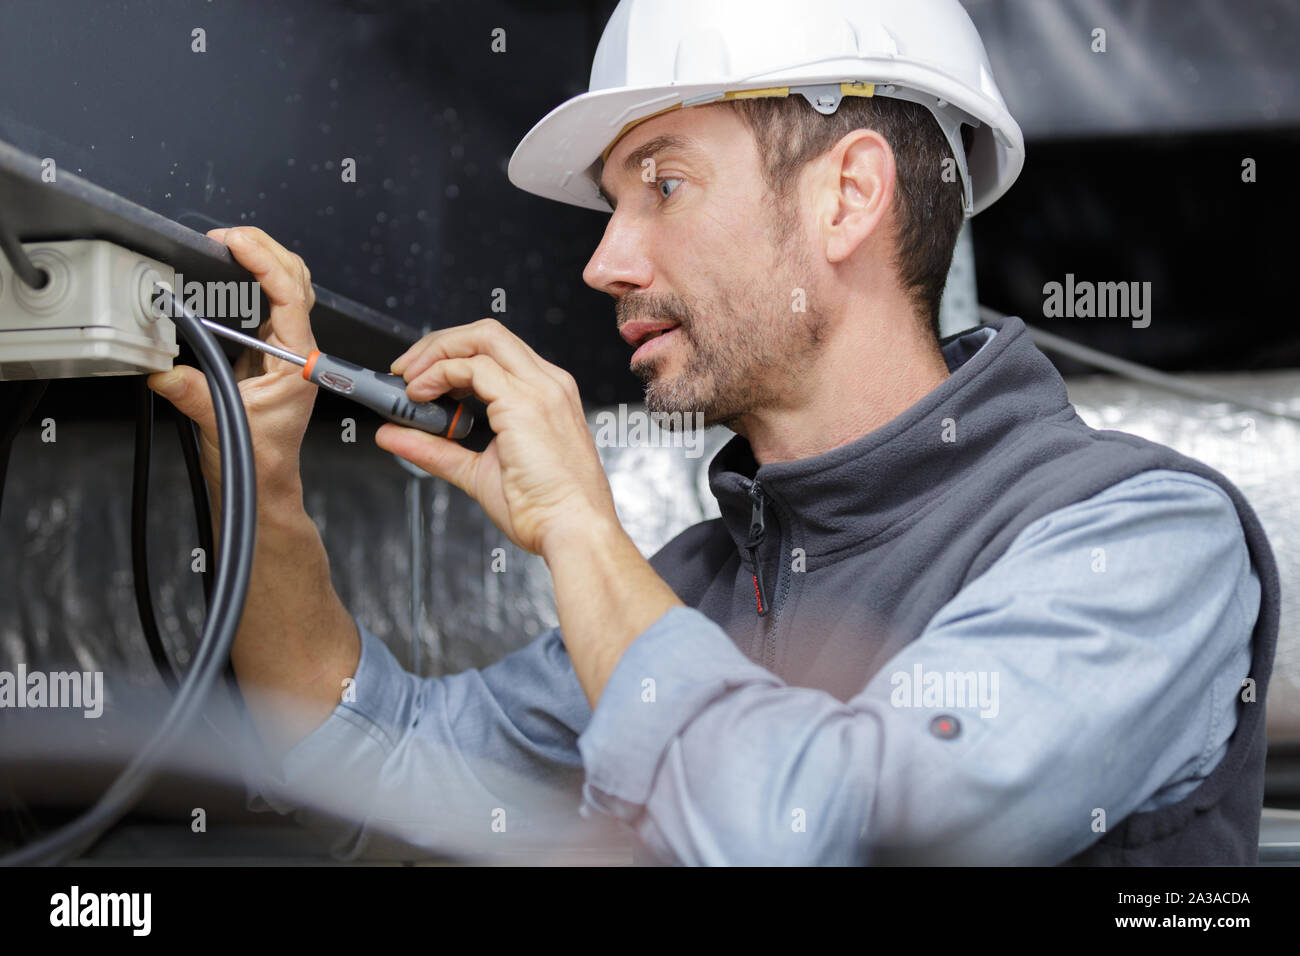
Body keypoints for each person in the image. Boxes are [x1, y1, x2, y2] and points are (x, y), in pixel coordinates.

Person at [147, 0, 1279, 864]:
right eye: (613, 201)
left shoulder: (1138, 538)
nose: (604, 261)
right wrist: (260, 474)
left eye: (665, 185)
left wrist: (579, 530)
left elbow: (817, 828)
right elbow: (370, 765)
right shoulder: (697, 591)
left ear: (847, 197)